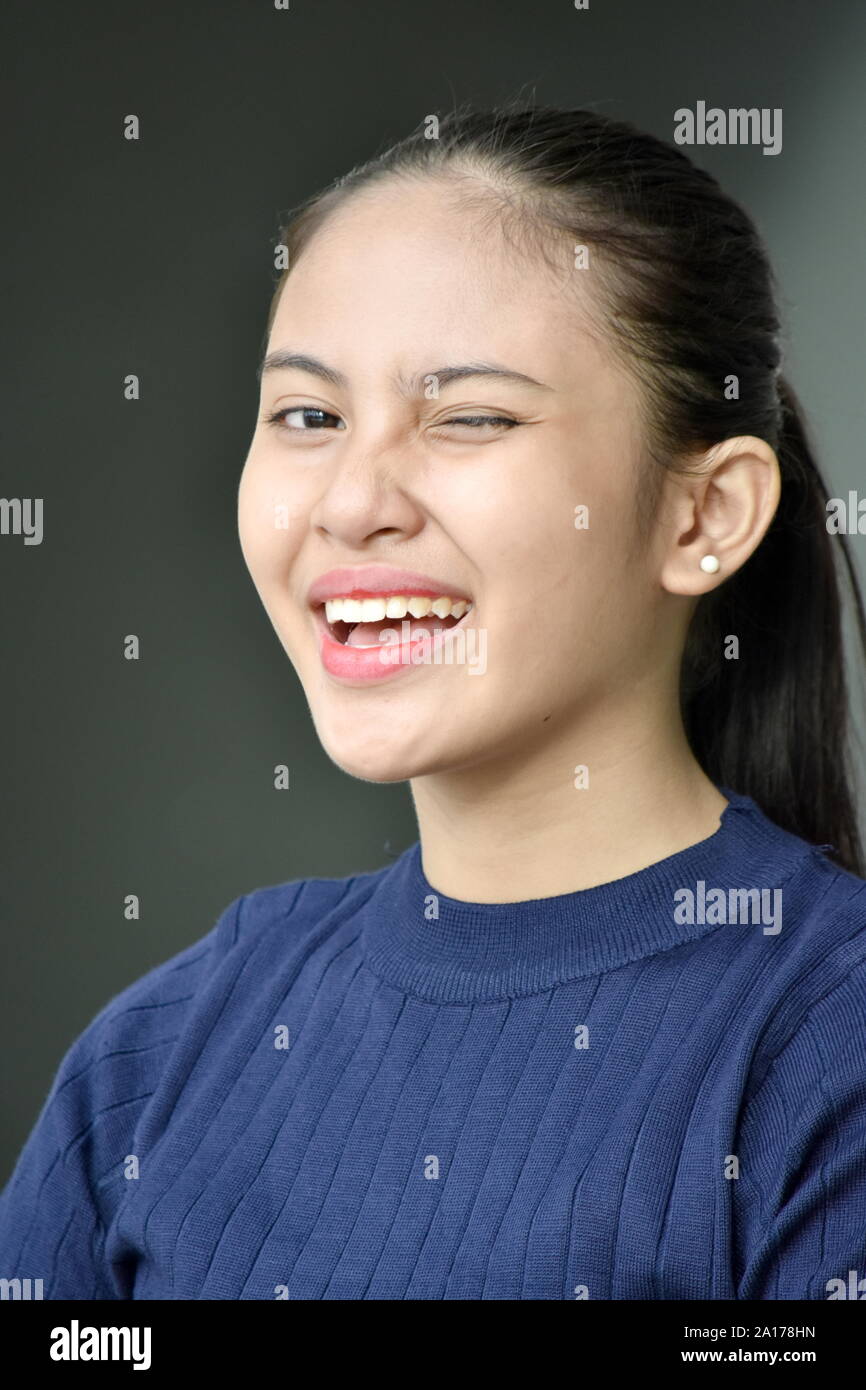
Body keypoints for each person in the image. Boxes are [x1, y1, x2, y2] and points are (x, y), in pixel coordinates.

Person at [2, 103, 866, 1300]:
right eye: (308, 416)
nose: (352, 501)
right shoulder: (168, 1048)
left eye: (468, 417)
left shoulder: (828, 1043)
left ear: (702, 514)